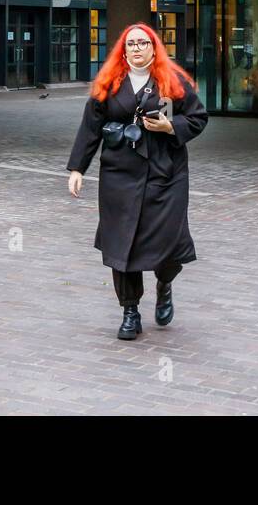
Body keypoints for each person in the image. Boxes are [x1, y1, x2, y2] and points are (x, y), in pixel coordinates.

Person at [67, 22, 208, 340]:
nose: (137, 49)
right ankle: (130, 311)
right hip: (119, 174)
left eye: (143, 43)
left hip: (166, 173)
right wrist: (78, 168)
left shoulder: (174, 81)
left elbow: (198, 118)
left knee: (168, 239)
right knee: (122, 241)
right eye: (131, 44)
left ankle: (165, 282)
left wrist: (169, 127)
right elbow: (91, 127)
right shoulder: (109, 83)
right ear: (123, 49)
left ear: (154, 47)